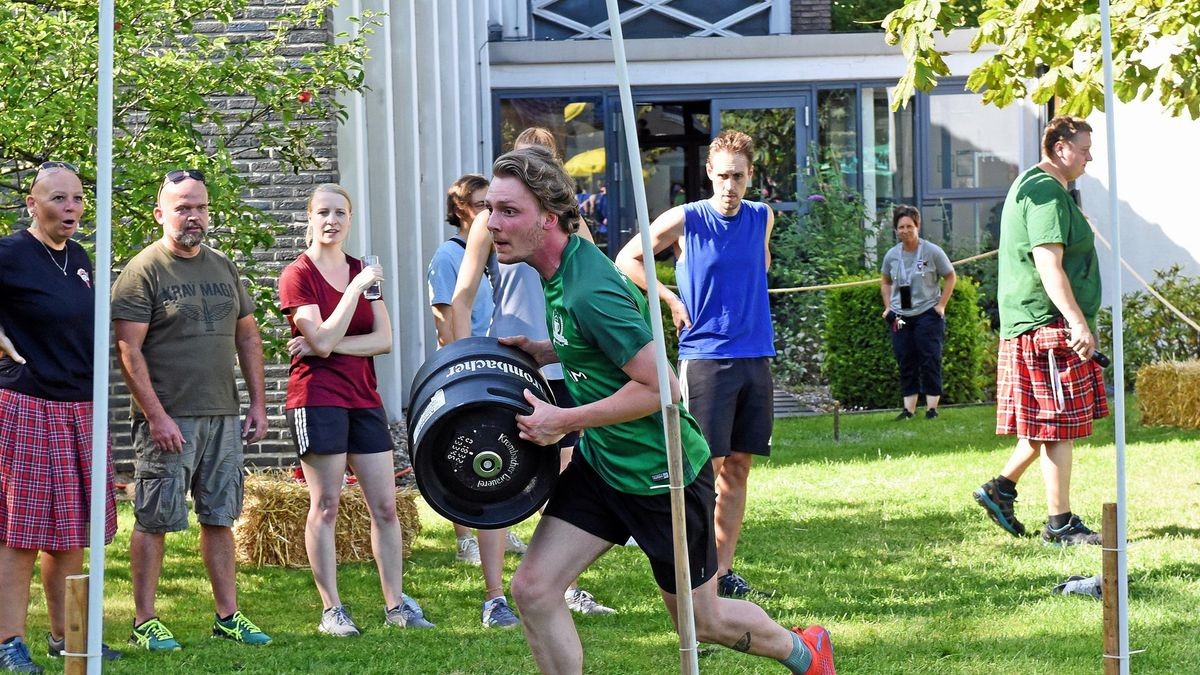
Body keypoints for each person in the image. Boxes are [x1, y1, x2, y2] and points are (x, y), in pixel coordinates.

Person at [493, 146, 834, 675]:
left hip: (662, 476)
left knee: (702, 623)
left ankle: (806, 652)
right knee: (534, 588)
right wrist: (548, 349)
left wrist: (562, 421)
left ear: (549, 217)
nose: (492, 223)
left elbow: (663, 388)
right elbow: (602, 345)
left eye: (508, 211)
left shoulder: (589, 287)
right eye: (491, 209)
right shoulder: (559, 271)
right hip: (606, 466)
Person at [450, 129, 614, 624]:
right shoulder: (491, 220)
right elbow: (462, 296)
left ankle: (565, 585)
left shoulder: (565, 222)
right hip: (513, 355)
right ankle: (495, 595)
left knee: (567, 475)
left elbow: (595, 275)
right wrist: (463, 362)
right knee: (494, 471)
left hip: (565, 357)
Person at [112, 168, 272, 651]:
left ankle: (228, 615)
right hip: (169, 417)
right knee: (155, 517)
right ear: (161, 213)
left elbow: (247, 334)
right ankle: (144, 620)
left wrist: (259, 403)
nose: (194, 216)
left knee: (220, 515)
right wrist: (156, 416)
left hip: (222, 413)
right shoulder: (144, 270)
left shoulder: (222, 265)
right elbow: (128, 350)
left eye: (200, 207)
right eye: (183, 207)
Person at [615, 129, 774, 599]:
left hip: (755, 355)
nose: (730, 186)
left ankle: (723, 570)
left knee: (739, 465)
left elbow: (758, 264)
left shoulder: (762, 218)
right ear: (709, 173)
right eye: (723, 176)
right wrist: (668, 298)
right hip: (705, 357)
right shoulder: (686, 220)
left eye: (739, 177)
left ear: (750, 177)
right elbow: (628, 259)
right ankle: (693, 568)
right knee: (704, 466)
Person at [280, 184, 434, 636]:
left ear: (350, 218)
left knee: (385, 507)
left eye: (340, 213)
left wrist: (325, 346)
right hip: (317, 399)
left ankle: (395, 605)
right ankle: (332, 609)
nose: (331, 221)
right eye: (323, 212)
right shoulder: (299, 275)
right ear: (309, 217)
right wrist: (355, 291)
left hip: (364, 398)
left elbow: (381, 341)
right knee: (325, 504)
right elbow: (321, 337)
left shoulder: (360, 270)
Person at [0, 163, 119, 674]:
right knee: (20, 534)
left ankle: (66, 634)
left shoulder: (79, 256)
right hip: (28, 403)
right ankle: (9, 641)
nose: (70, 208)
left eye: (76, 199)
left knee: (72, 532)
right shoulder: (10, 252)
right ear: (32, 204)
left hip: (81, 407)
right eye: (57, 199)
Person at [972, 116, 1108, 546]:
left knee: (1045, 423)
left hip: (1037, 323)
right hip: (1044, 324)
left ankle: (1001, 489)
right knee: (1058, 425)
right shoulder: (1046, 193)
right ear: (1061, 147)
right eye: (1084, 149)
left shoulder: (1038, 183)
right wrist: (1077, 322)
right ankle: (1061, 523)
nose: (1090, 157)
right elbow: (1049, 265)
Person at [425, 173, 521, 628]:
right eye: (482, 204)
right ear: (462, 208)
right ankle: (466, 535)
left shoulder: (488, 254)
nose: (490, 212)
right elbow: (446, 315)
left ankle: (486, 532)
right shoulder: (449, 255)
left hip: (494, 360)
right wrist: (462, 365)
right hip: (468, 366)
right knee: (465, 455)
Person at [879, 205, 956, 420]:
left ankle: (932, 408)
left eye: (909, 226)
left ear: (917, 226)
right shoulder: (892, 255)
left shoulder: (932, 251)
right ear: (896, 230)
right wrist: (888, 307)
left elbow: (950, 276)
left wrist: (941, 305)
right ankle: (909, 410)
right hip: (900, 316)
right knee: (906, 360)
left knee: (930, 359)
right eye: (901, 227)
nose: (905, 230)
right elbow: (885, 281)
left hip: (927, 314)